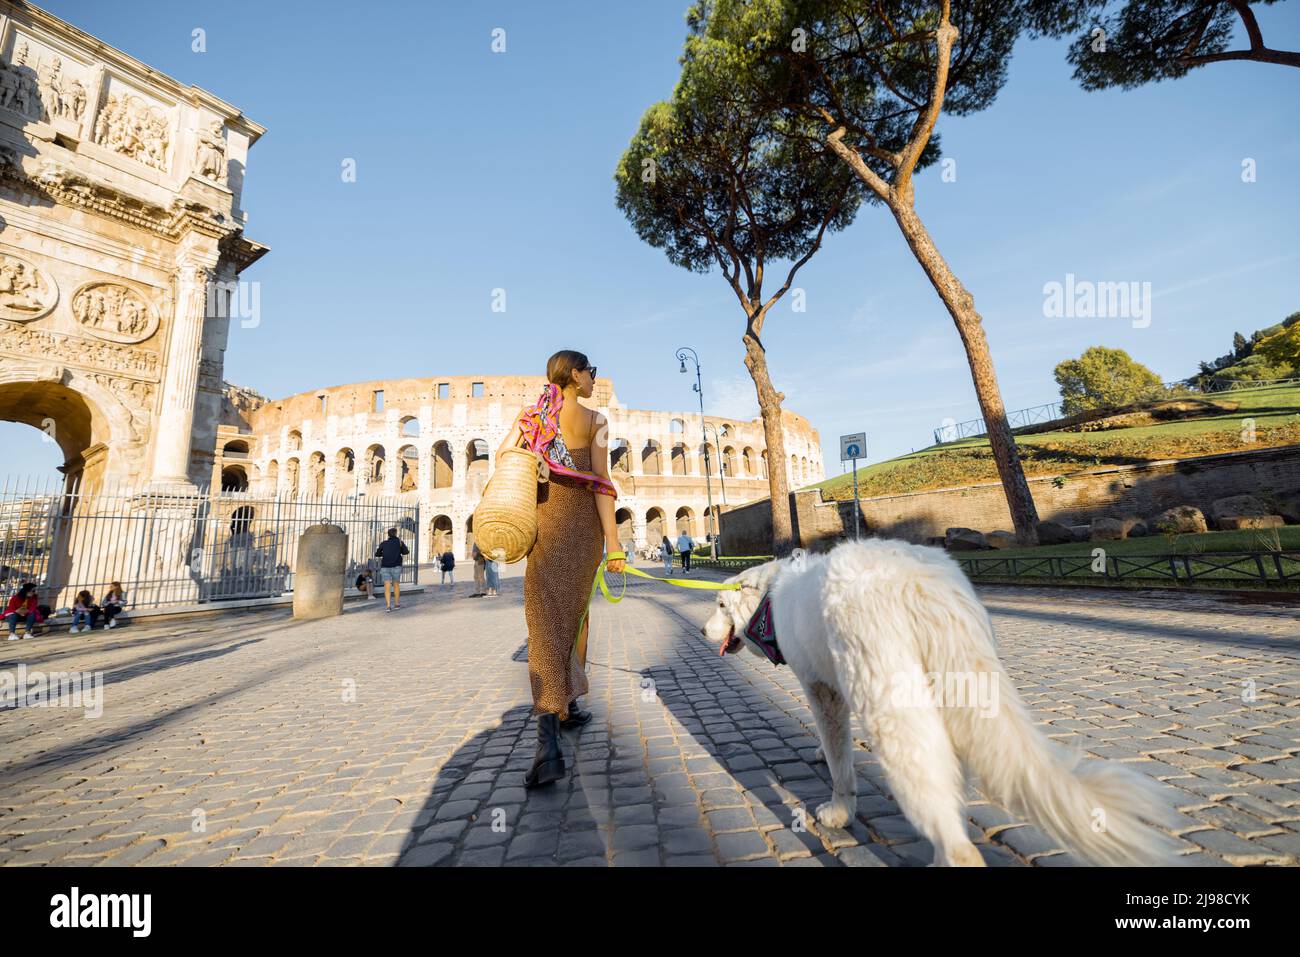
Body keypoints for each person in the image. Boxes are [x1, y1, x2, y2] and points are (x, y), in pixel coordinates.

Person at [494, 350, 623, 789]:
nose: (594, 379)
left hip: (545, 525)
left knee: (545, 623)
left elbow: (502, 456)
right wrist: (615, 545)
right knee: (577, 616)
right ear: (575, 374)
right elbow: (603, 485)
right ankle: (563, 706)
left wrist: (540, 457)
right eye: (592, 372)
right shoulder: (597, 421)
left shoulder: (534, 417)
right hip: (584, 530)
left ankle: (549, 731)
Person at [374, 527, 409, 612]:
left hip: (385, 566)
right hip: (396, 566)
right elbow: (406, 552)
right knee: (396, 585)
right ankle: (396, 604)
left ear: (388, 535)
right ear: (396, 534)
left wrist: (384, 552)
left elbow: (377, 554)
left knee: (387, 586)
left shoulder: (384, 543)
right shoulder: (399, 542)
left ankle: (388, 606)